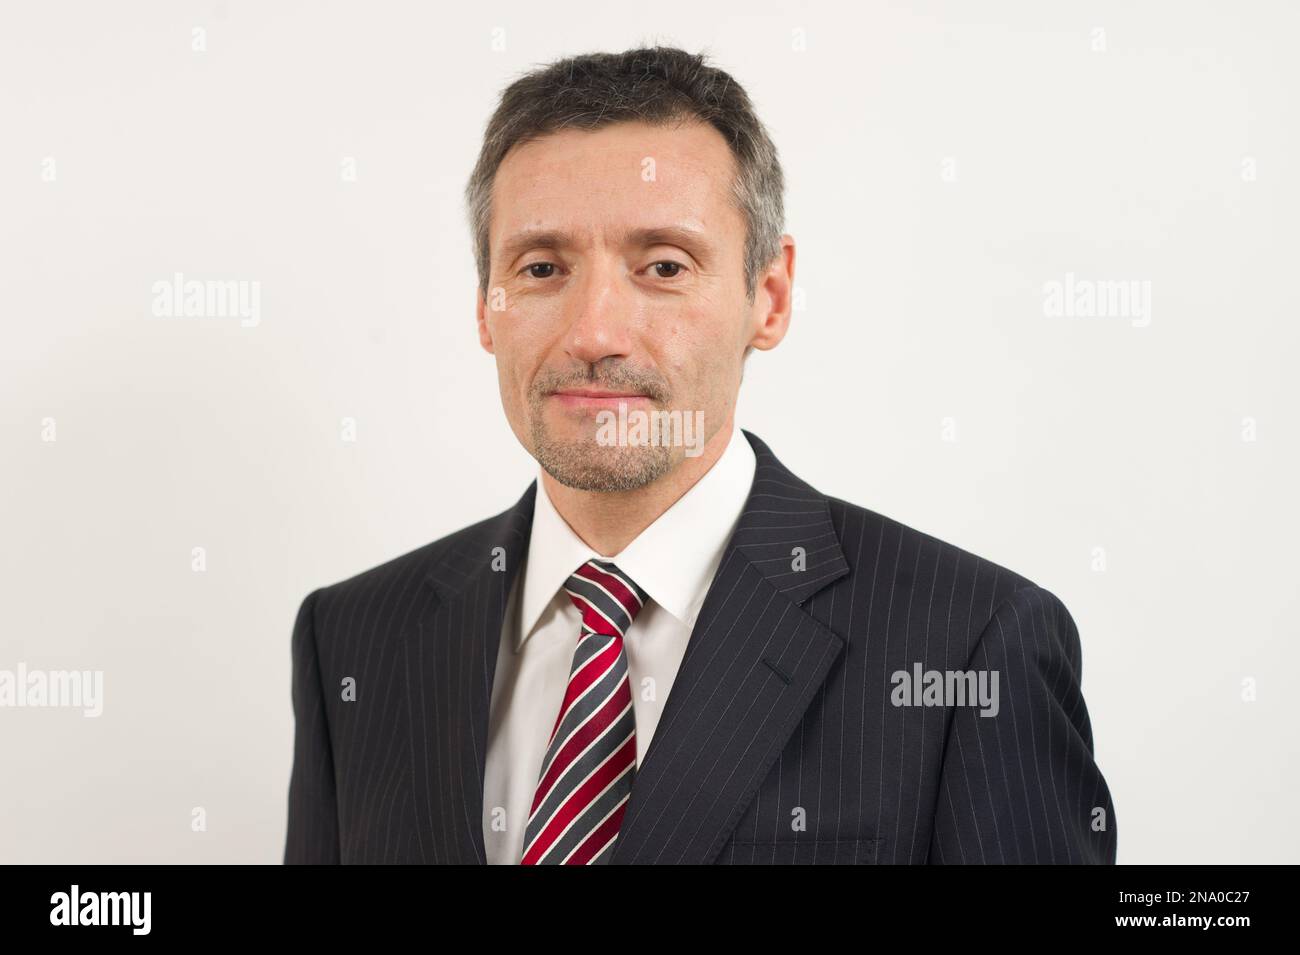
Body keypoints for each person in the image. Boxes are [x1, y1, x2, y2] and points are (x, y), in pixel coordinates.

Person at [284, 45, 1117, 865]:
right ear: (484, 307)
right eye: (542, 267)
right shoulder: (353, 639)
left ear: (770, 296)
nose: (595, 333)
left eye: (663, 265)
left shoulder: (969, 643)